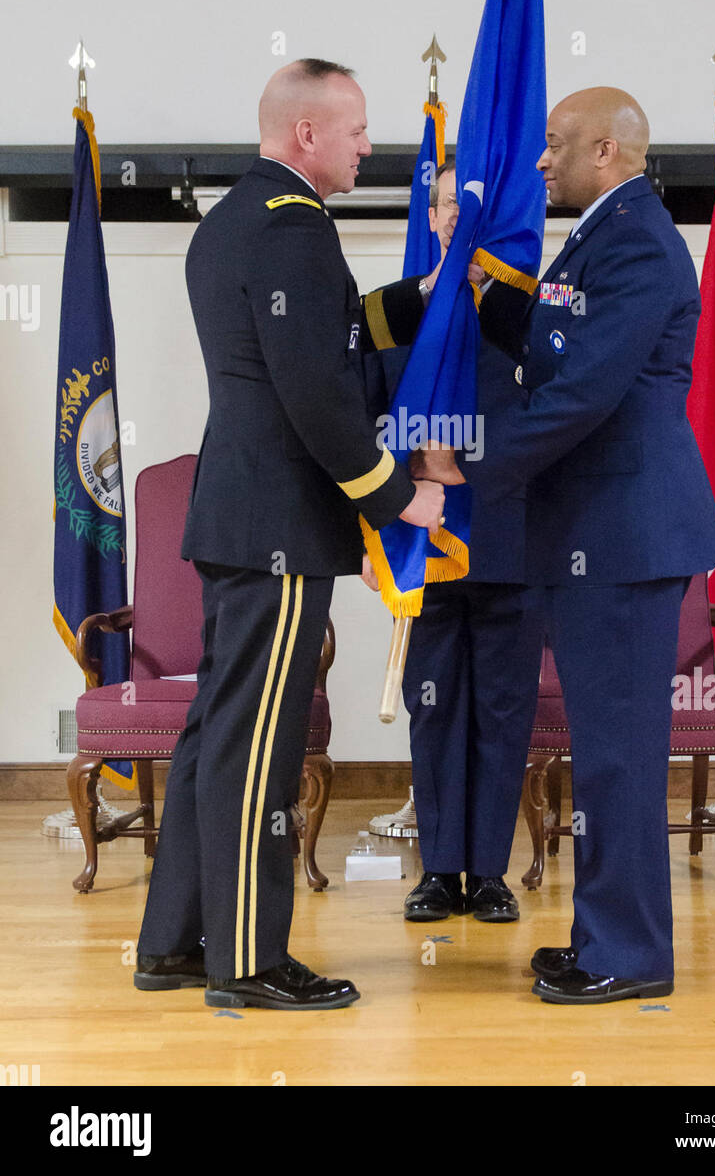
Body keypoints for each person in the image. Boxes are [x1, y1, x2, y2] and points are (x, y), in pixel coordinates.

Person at [135, 59, 446, 1012]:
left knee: (214, 738)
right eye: (355, 130)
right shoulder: (299, 234)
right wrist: (397, 496)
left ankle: (175, 944)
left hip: (241, 517)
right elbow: (316, 391)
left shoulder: (239, 221)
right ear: (306, 134)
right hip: (278, 525)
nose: (368, 146)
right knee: (257, 750)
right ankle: (248, 962)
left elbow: (330, 339)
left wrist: (422, 295)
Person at [471, 87, 715, 1002]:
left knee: (617, 755)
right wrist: (493, 303)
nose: (541, 162)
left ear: (608, 151)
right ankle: (601, 940)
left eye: (555, 145)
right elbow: (556, 345)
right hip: (596, 532)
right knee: (605, 749)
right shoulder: (605, 231)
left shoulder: (642, 242)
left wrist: (468, 471)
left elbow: (583, 395)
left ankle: (628, 957)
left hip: (623, 537)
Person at [365, 160, 545, 923]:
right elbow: (365, 418)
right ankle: (440, 869)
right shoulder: (399, 311)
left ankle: (491, 871)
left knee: (503, 709)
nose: (453, 218)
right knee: (434, 705)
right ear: (433, 218)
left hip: (511, 536)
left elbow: (555, 413)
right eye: (444, 206)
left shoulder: (530, 311)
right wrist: (378, 529)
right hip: (423, 537)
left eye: (467, 208)